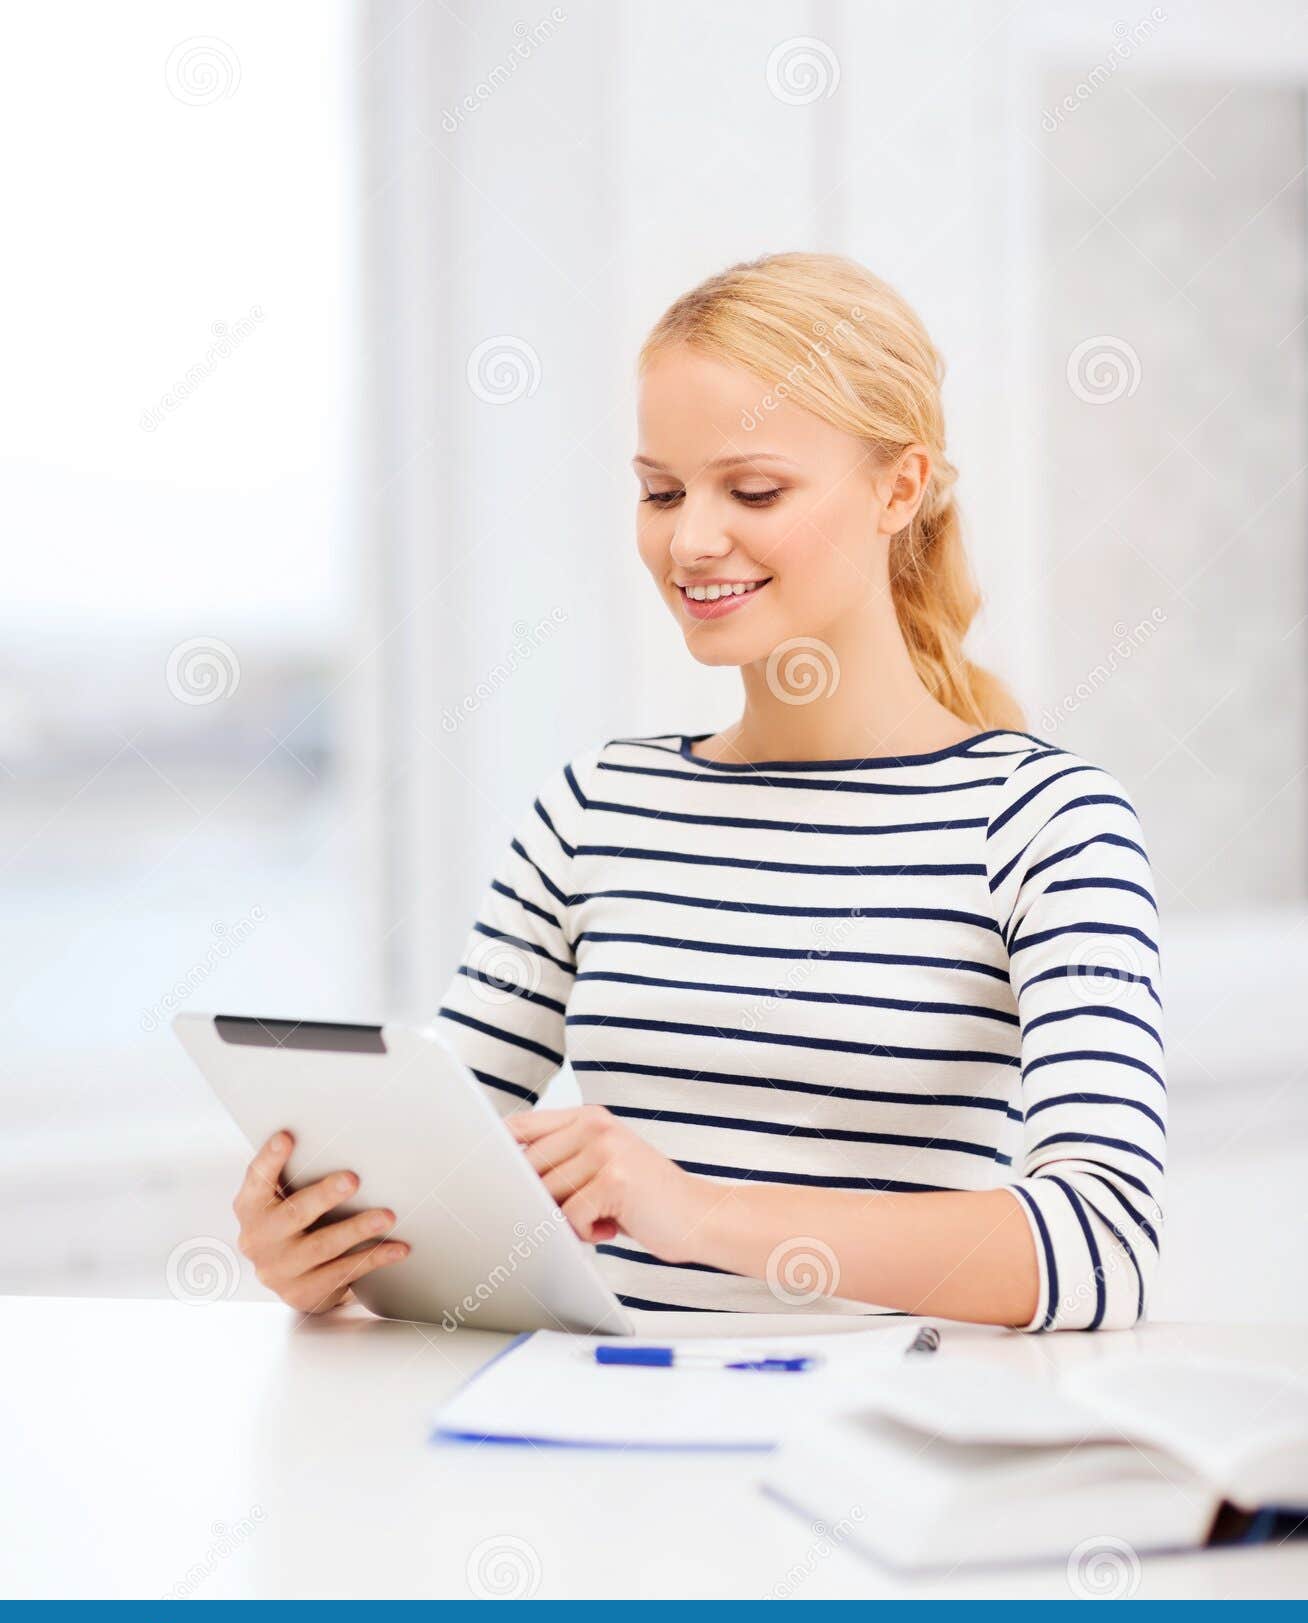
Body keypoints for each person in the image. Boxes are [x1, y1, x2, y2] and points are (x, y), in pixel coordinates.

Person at [233, 251, 1164, 1331]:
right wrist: (327, 1244)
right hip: (601, 1450)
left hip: (868, 1464)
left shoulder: (1047, 825)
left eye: (753, 489)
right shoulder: (592, 810)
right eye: (660, 491)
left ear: (899, 488)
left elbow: (1104, 1245)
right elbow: (442, 1172)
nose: (690, 540)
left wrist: (689, 1210)